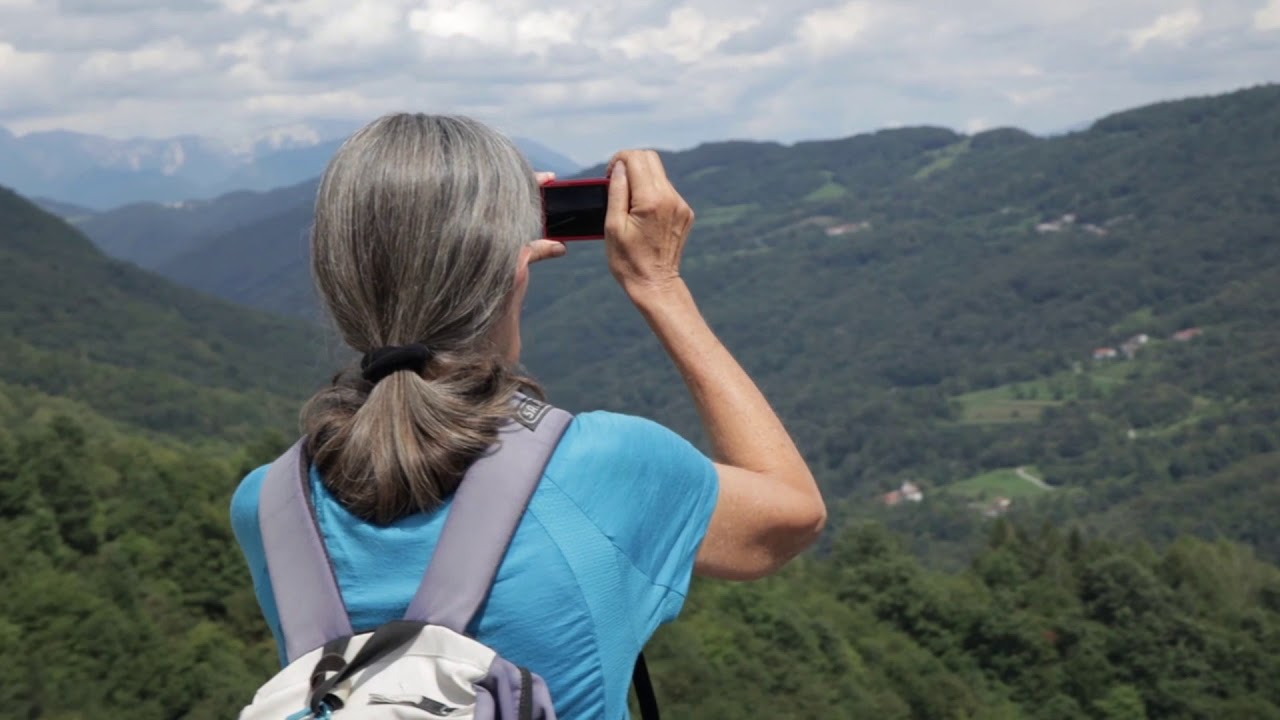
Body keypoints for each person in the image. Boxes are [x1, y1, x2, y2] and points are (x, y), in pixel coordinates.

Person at [230, 113, 826, 719]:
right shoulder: (602, 466)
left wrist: (486, 282)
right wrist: (658, 283)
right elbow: (790, 515)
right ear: (520, 270)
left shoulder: (270, 504)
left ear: (335, 277)